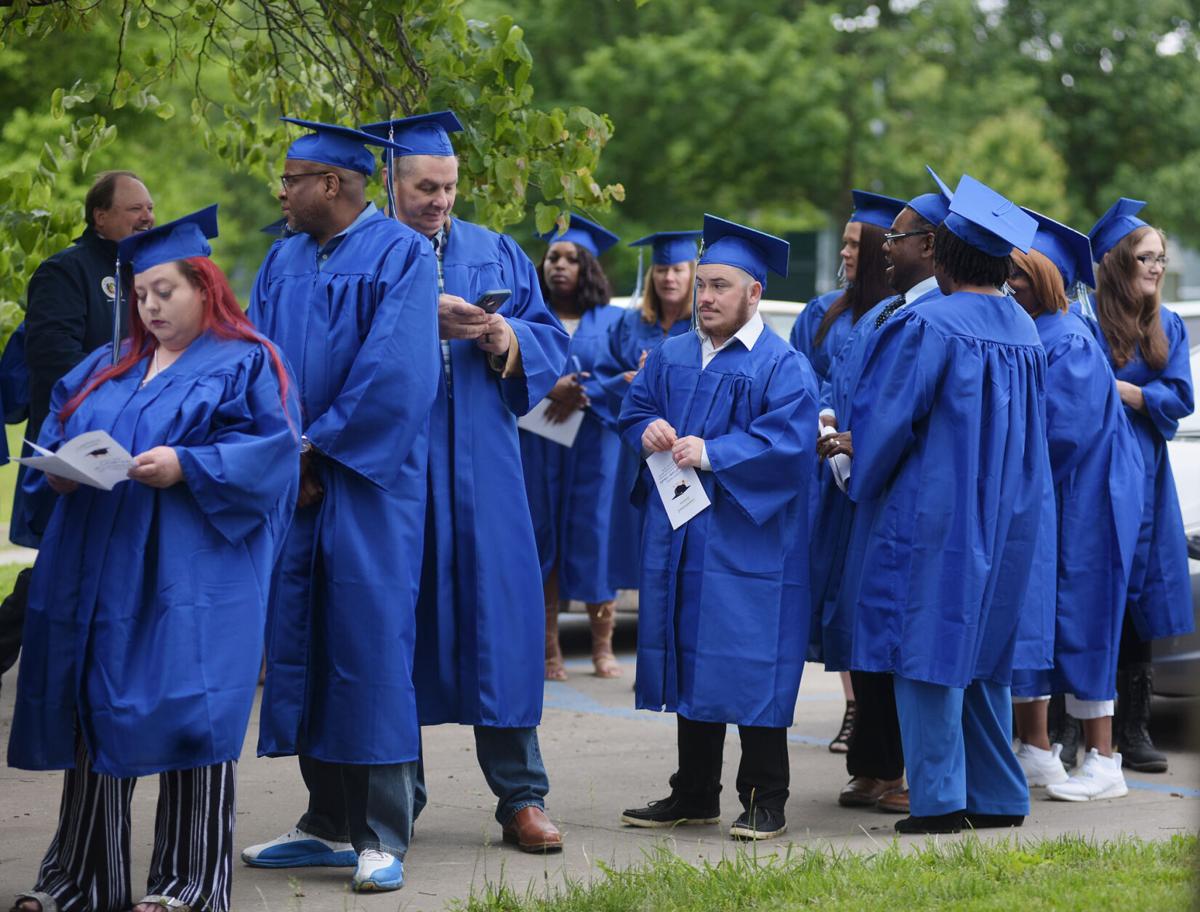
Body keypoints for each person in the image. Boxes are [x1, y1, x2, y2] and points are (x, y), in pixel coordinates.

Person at [8, 206, 299, 912]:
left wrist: (187, 464)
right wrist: (53, 470)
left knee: (188, 714)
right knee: (95, 714)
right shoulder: (105, 366)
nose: (150, 305)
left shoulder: (245, 361)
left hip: (188, 575)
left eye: (165, 290)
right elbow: (50, 435)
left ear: (206, 285)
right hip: (96, 573)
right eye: (140, 293)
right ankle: (79, 883)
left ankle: (187, 888)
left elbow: (272, 455)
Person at [358, 110, 569, 853]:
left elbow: (549, 336)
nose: (440, 200)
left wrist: (510, 338)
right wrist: (421, 322)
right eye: (424, 186)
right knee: (394, 630)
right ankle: (395, 801)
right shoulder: (362, 253)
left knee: (502, 624)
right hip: (395, 474)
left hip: (485, 470)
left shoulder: (495, 250)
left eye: (448, 186)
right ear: (390, 182)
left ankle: (522, 797)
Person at [242, 119, 440, 894]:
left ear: (331, 183)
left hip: (368, 485)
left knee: (369, 647)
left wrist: (318, 450)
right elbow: (254, 363)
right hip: (296, 485)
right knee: (303, 642)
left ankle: (382, 831)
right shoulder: (282, 258)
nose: (281, 191)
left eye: (291, 178)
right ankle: (326, 823)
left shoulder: (402, 255)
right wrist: (284, 455)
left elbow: (397, 371)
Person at [845, 175, 1056, 834]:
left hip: (937, 512)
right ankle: (997, 795)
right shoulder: (1024, 325)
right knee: (987, 653)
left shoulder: (928, 323)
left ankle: (939, 802)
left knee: (928, 649)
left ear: (941, 254)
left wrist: (856, 469)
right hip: (1012, 514)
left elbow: (889, 423)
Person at [618, 215, 818, 841]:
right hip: (682, 535)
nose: (705, 296)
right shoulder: (673, 352)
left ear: (754, 293)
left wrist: (715, 453)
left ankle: (765, 797)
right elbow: (635, 409)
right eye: (702, 284)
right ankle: (693, 792)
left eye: (721, 286)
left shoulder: (783, 367)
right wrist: (644, 428)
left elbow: (788, 445)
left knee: (750, 658)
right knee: (691, 655)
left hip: (749, 543)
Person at [815, 173, 950, 816]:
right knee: (867, 628)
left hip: (897, 490)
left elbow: (902, 414)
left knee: (895, 632)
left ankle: (896, 770)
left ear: (929, 245)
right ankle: (873, 764)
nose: (882, 249)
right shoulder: (885, 313)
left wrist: (855, 451)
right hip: (864, 487)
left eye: (893, 237)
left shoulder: (929, 318)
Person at [1007, 213, 1145, 801]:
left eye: (1019, 274)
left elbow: (1064, 433)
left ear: (1048, 277)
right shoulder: (1039, 331)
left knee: (1084, 618)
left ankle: (1105, 761)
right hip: (1059, 494)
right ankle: (1038, 750)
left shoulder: (1069, 337)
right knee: (1037, 614)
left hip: (1088, 498)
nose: (1009, 283)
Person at [0, 171, 155, 689]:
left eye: (149, 208)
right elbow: (52, 358)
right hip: (77, 439)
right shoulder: (64, 271)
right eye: (135, 209)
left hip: (139, 435)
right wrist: (110, 405)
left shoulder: (150, 274)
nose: (147, 217)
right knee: (67, 559)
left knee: (101, 556)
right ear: (100, 216)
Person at [1083, 198, 1195, 773]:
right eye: (1146, 257)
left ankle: (1134, 727)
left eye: (1161, 258)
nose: (1156, 267)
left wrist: (1132, 394)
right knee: (1088, 591)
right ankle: (1074, 726)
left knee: (1142, 598)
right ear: (1117, 261)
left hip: (1146, 473)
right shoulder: (1085, 323)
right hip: (1094, 472)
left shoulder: (1167, 324)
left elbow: (1181, 397)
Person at [803, 190, 905, 755]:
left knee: (869, 596)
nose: (844, 252)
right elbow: (808, 377)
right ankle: (852, 706)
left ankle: (871, 722)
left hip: (872, 468)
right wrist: (822, 416)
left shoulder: (902, 313)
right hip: (831, 471)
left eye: (851, 243)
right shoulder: (824, 313)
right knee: (841, 599)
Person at [529, 215, 624, 680]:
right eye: (553, 258)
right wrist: (551, 387)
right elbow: (508, 368)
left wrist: (584, 391)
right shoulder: (529, 315)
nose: (560, 266)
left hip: (594, 440)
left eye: (571, 259)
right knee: (541, 534)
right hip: (539, 440)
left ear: (588, 267)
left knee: (594, 535)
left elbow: (632, 378)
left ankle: (601, 647)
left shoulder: (614, 320)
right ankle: (550, 651)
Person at [593, 230, 699, 596]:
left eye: (678, 270)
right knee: (641, 552)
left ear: (692, 274)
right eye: (661, 270)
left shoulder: (703, 326)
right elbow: (603, 380)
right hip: (638, 454)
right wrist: (634, 383)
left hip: (683, 452)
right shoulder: (630, 323)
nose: (668, 277)